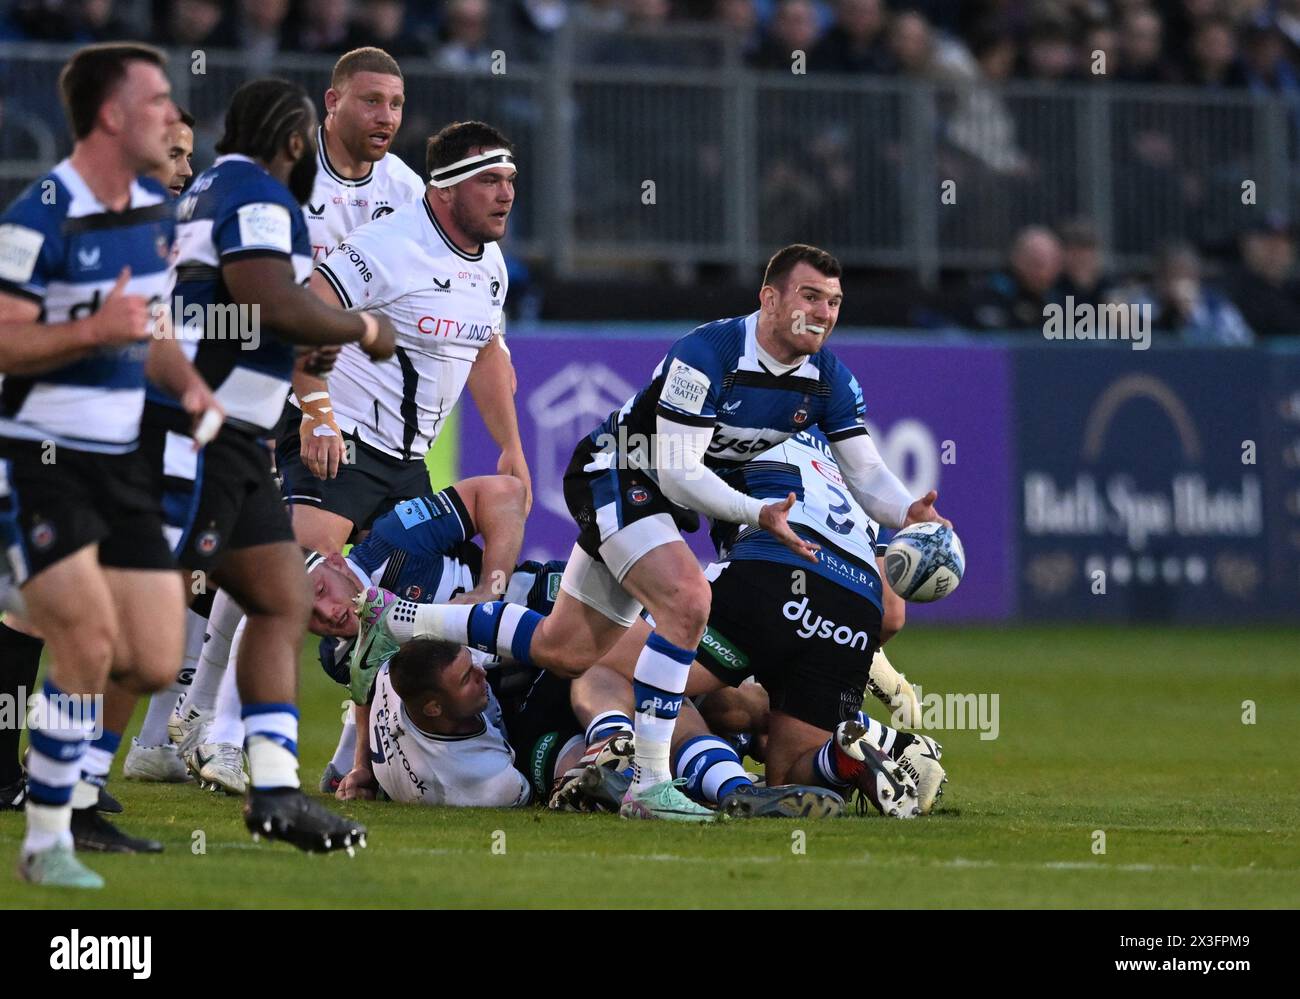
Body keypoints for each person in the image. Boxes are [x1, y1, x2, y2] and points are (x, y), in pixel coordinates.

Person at [356, 243, 948, 821]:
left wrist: (908, 513)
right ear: (769, 299)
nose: (823, 313)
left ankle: (395, 619)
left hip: (662, 498)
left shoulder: (828, 378)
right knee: (689, 601)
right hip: (616, 473)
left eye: (834, 302)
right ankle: (653, 783)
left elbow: (867, 473)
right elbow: (677, 470)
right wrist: (754, 512)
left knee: (567, 648)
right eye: (809, 296)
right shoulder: (709, 353)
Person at [138, 75, 399, 855]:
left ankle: (274, 792)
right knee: (134, 625)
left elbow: (242, 309)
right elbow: (265, 299)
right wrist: (360, 327)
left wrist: (294, 339)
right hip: (202, 435)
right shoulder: (260, 195)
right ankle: (73, 783)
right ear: (294, 139)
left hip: (234, 435)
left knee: (280, 595)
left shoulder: (211, 186)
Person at [0, 43, 215, 886]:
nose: (171, 115)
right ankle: (50, 836)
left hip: (124, 465)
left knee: (154, 657)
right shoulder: (38, 215)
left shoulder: (151, 220)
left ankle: (56, 800)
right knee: (86, 639)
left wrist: (195, 389)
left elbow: (151, 332)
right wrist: (94, 330)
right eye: (156, 99)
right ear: (111, 117)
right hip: (40, 460)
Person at [279, 117, 529, 558]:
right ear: (445, 188)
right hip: (346, 440)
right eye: (489, 181)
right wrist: (317, 415)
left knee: (402, 602)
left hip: (408, 463)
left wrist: (511, 445)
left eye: (509, 180)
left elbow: (486, 353)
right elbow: (304, 317)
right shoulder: (387, 245)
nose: (506, 194)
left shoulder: (491, 263)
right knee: (304, 586)